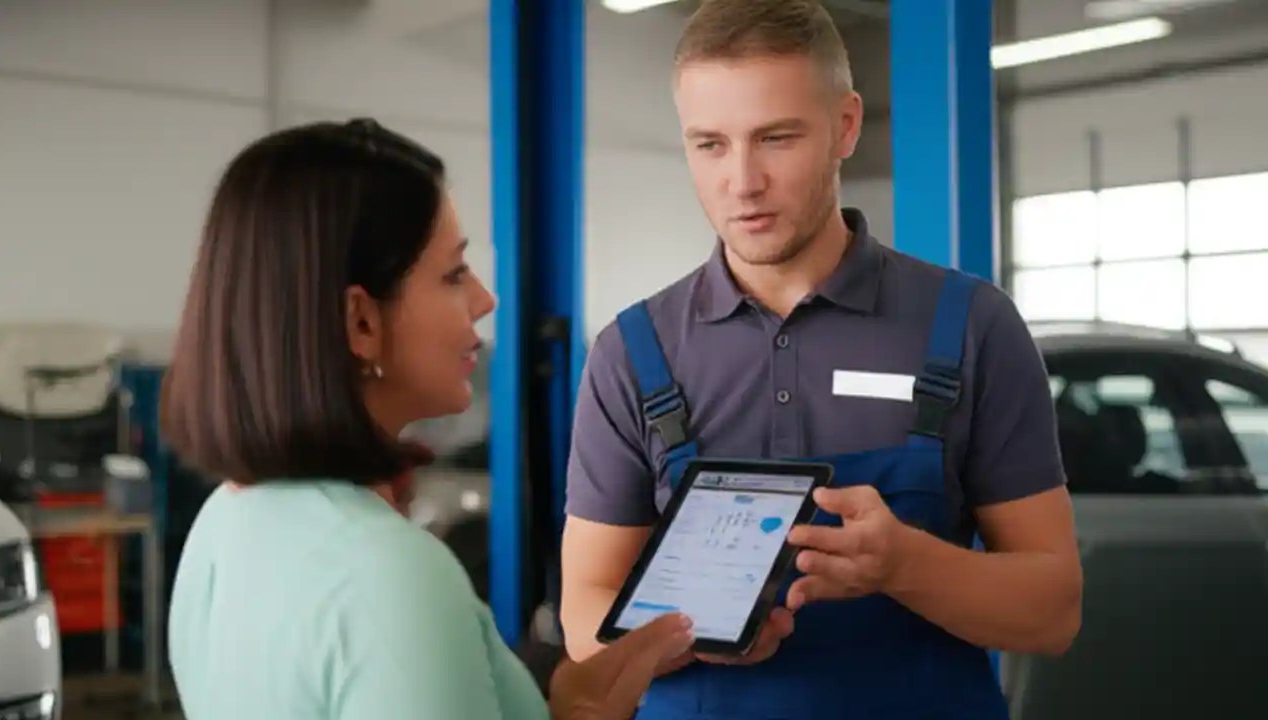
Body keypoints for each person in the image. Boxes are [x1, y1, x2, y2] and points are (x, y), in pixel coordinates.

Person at [558, 1, 1083, 718]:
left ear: (846, 126)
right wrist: (689, 637)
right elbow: (584, 612)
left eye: (775, 138)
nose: (741, 181)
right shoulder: (633, 353)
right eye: (709, 144)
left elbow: (1052, 611)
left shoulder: (970, 326)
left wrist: (904, 565)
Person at [162, 118, 695, 720]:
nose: (484, 301)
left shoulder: (224, 519)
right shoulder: (390, 576)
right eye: (452, 275)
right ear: (361, 322)